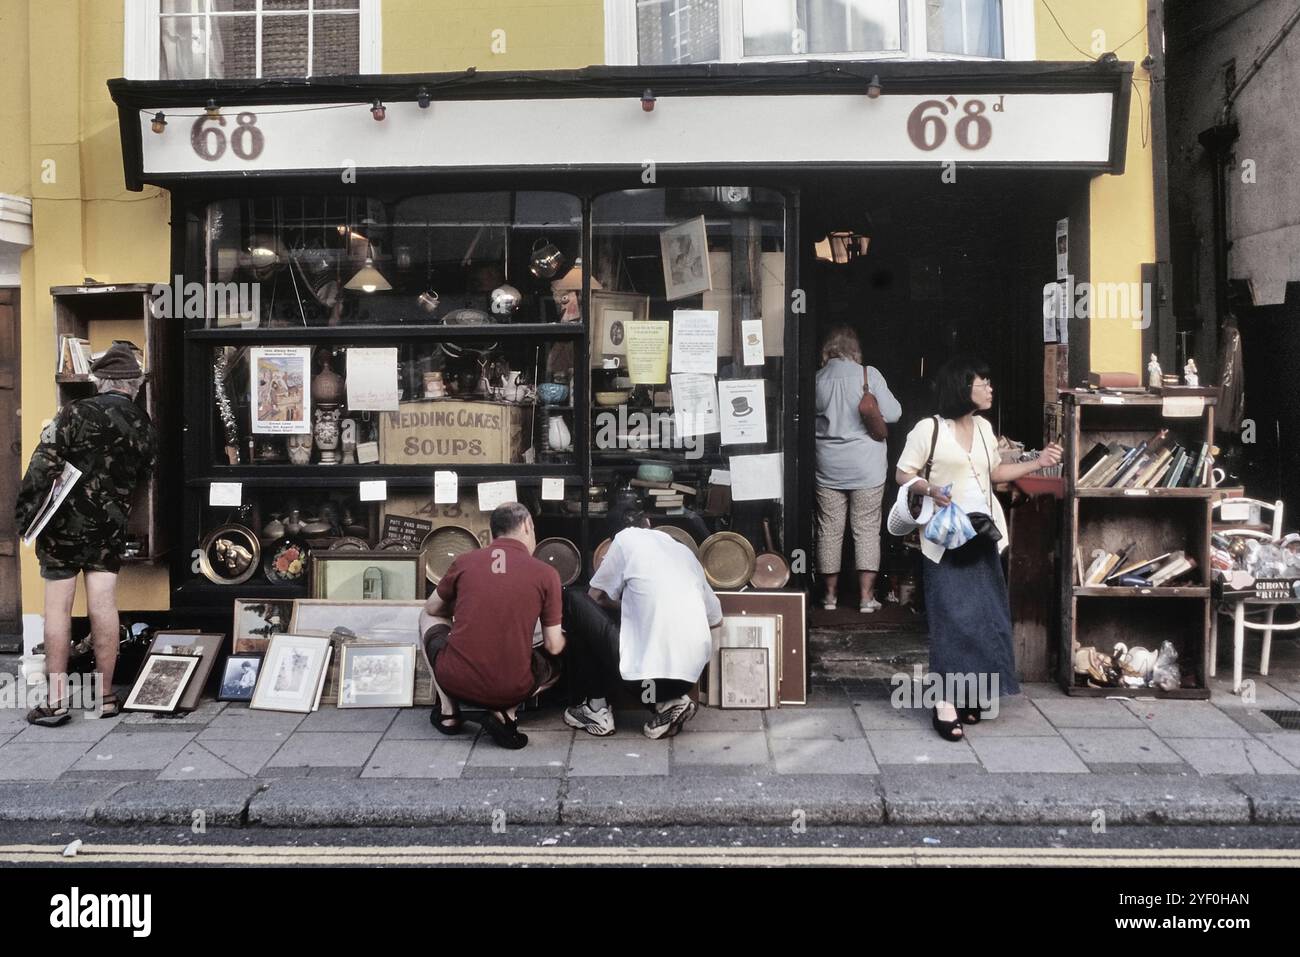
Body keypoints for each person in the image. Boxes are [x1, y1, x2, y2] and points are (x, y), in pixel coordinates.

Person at [895, 356, 1062, 741]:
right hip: (944, 538)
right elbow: (904, 473)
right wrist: (930, 489)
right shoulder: (929, 429)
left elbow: (995, 473)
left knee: (985, 619)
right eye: (982, 382)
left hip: (983, 534)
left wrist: (1038, 461)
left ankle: (970, 695)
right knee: (949, 621)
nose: (990, 388)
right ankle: (944, 703)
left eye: (989, 381)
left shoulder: (986, 428)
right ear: (961, 388)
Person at [15, 342, 157, 726]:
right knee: (104, 605)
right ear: (134, 385)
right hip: (110, 527)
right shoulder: (144, 424)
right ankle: (107, 697)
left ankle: (56, 702)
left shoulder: (75, 412)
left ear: (102, 380)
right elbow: (146, 477)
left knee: (59, 609)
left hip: (62, 527)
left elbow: (42, 466)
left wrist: (25, 516)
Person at [562, 508, 723, 740]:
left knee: (576, 601)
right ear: (648, 522)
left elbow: (594, 598)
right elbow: (716, 618)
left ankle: (596, 708)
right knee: (634, 643)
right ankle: (666, 704)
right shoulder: (683, 551)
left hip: (644, 679)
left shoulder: (624, 539)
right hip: (687, 678)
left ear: (610, 539)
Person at [418, 502, 565, 750]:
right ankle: (506, 713)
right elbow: (553, 644)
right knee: (558, 648)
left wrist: (467, 610)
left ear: (494, 530)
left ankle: (448, 712)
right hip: (513, 688)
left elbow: (432, 608)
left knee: (425, 618)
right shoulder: (546, 573)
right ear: (527, 526)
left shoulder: (465, 561)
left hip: (455, 679)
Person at [814, 325, 902, 612]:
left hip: (828, 466)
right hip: (867, 467)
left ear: (828, 348)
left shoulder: (818, 379)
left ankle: (829, 597)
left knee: (829, 530)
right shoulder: (869, 375)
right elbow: (894, 413)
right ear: (855, 348)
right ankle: (866, 598)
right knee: (865, 530)